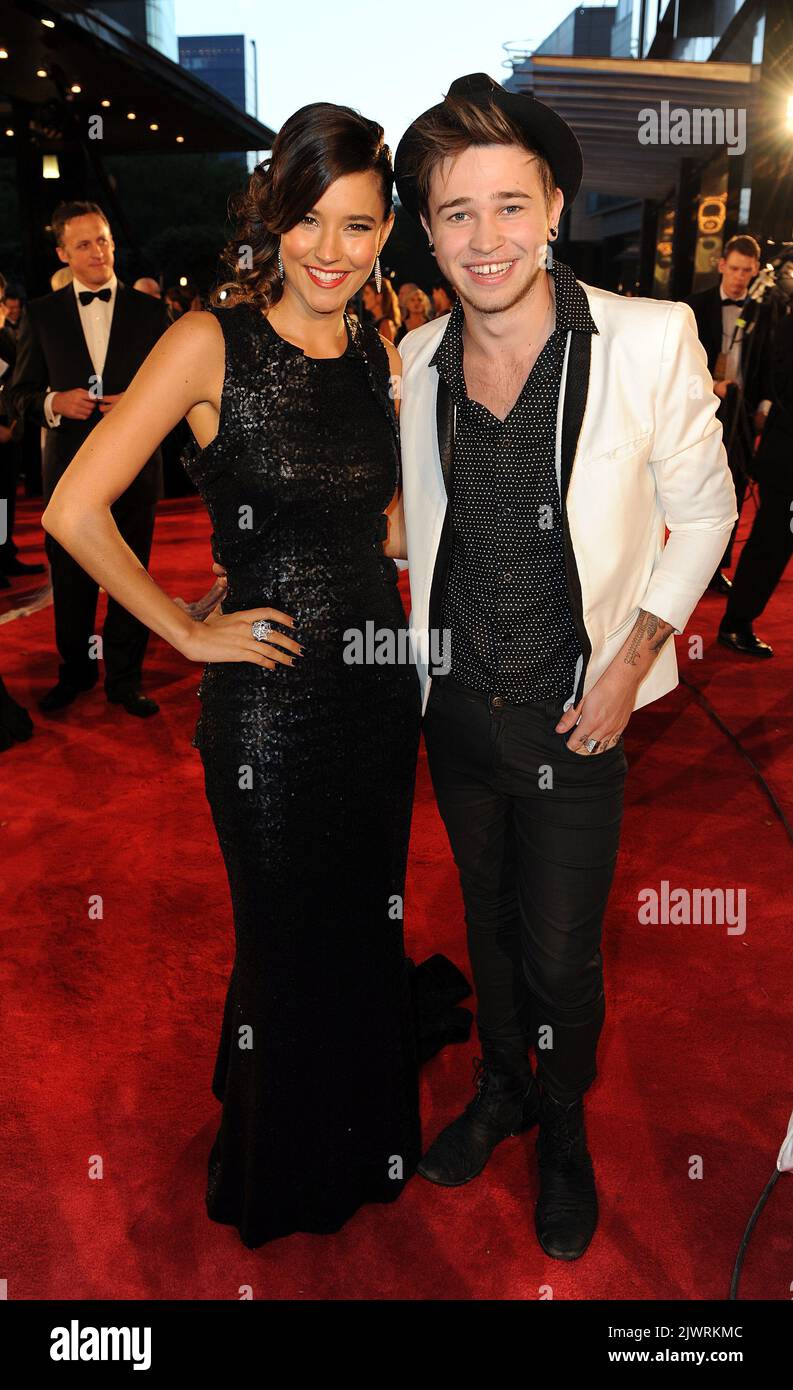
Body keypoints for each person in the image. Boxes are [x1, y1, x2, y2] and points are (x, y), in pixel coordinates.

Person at [41, 101, 470, 1250]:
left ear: (388, 234)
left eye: (362, 227)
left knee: (357, 927)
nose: (333, 251)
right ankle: (286, 1165)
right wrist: (185, 636)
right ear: (274, 216)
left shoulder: (378, 349)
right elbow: (74, 508)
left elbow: (373, 521)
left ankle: (360, 1137)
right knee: (284, 937)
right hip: (268, 713)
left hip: (375, 698)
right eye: (312, 221)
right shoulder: (204, 343)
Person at [392, 72, 736, 1261]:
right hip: (457, 712)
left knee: (557, 950)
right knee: (486, 930)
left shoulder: (649, 338)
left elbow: (707, 512)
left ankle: (564, 1119)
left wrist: (636, 653)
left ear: (549, 207)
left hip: (576, 722)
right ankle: (498, 1084)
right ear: (425, 229)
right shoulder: (418, 353)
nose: (484, 239)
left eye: (507, 205)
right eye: (453, 212)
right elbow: (420, 518)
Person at [6, 202, 171, 717]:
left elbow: (178, 391)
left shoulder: (150, 311)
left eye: (102, 239)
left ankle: (126, 679)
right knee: (71, 580)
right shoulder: (41, 314)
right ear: (63, 253)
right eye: (83, 244)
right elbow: (19, 394)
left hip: (135, 470)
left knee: (132, 577)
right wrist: (56, 402)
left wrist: (141, 402)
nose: (97, 251)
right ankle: (75, 670)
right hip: (68, 475)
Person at [687, 235, 770, 594]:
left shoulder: (763, 311)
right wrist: (710, 384)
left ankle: (717, 566)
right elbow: (683, 360)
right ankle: (682, 564)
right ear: (721, 265)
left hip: (741, 409)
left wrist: (763, 406)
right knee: (692, 486)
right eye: (734, 269)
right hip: (701, 404)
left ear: (755, 272)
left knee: (734, 488)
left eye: (746, 271)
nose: (739, 277)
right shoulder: (694, 305)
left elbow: (769, 362)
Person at [718, 299, 793, 657]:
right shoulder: (788, 323)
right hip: (787, 460)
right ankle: (736, 624)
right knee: (771, 544)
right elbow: (782, 387)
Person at [361, 276, 401, 341]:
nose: (363, 298)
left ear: (379, 296)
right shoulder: (378, 322)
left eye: (367, 293)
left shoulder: (386, 324)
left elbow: (387, 350)